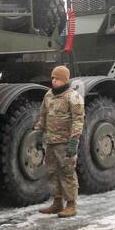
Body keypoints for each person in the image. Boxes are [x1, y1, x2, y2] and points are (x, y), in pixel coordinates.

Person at [34, 65, 84, 218]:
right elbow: (43, 115)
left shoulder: (73, 97)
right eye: (53, 78)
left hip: (64, 142)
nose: (54, 81)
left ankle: (71, 204)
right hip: (50, 141)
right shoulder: (48, 95)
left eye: (58, 79)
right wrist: (38, 133)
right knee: (51, 172)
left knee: (67, 172)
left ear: (65, 80)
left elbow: (78, 120)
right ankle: (57, 203)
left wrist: (73, 141)